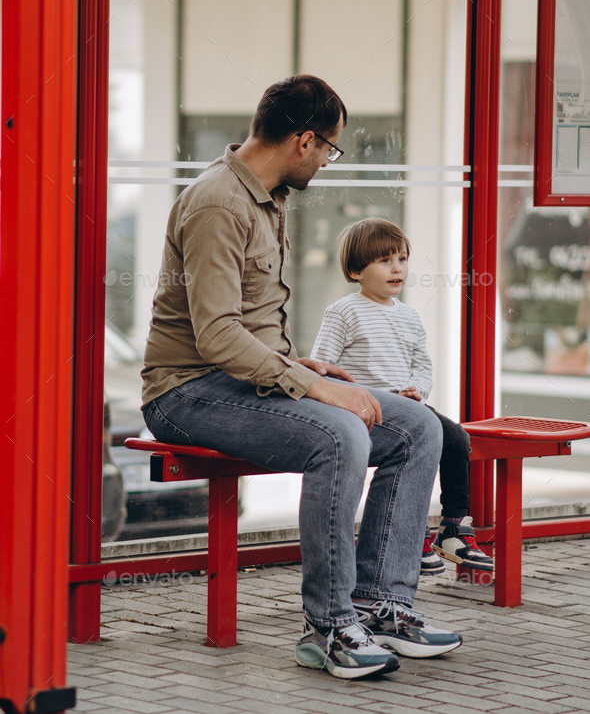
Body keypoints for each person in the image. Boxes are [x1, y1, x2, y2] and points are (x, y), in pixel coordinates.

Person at [141, 75, 462, 680]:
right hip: (187, 390)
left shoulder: (267, 197)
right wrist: (318, 387)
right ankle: (330, 628)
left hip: (242, 380)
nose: (329, 161)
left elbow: (246, 327)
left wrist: (299, 363)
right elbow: (215, 337)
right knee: (340, 435)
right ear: (304, 140)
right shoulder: (218, 202)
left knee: (419, 427)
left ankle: (383, 606)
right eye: (331, 148)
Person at [311, 217, 493, 577]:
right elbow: (322, 367)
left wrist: (417, 389)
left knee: (454, 437)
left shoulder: (410, 317)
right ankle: (408, 535)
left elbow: (422, 367)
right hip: (365, 415)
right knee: (403, 457)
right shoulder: (343, 312)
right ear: (355, 270)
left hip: (409, 411)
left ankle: (453, 527)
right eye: (384, 261)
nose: (397, 268)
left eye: (402, 259)